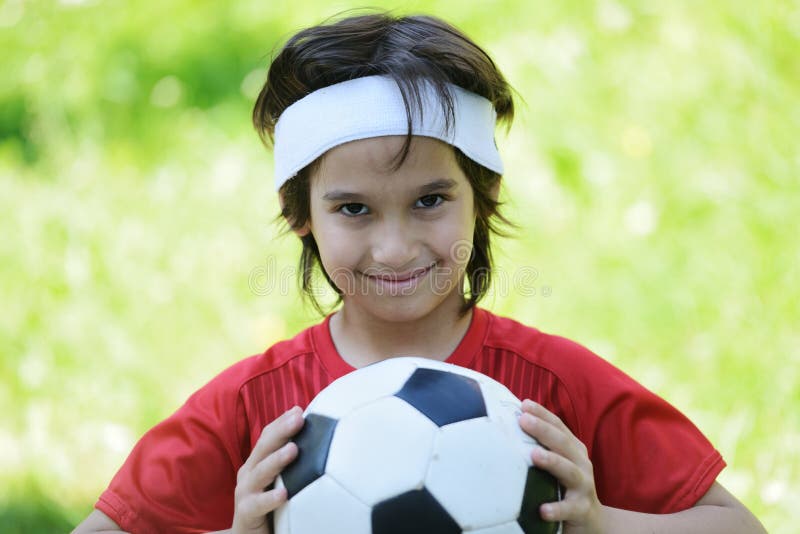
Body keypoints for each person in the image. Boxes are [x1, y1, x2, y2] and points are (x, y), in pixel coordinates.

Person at [73, 11, 766, 534]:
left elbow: (738, 526)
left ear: (483, 196)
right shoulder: (258, 407)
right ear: (300, 215)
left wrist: (606, 523)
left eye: (430, 200)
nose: (396, 248)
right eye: (354, 209)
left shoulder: (551, 389)